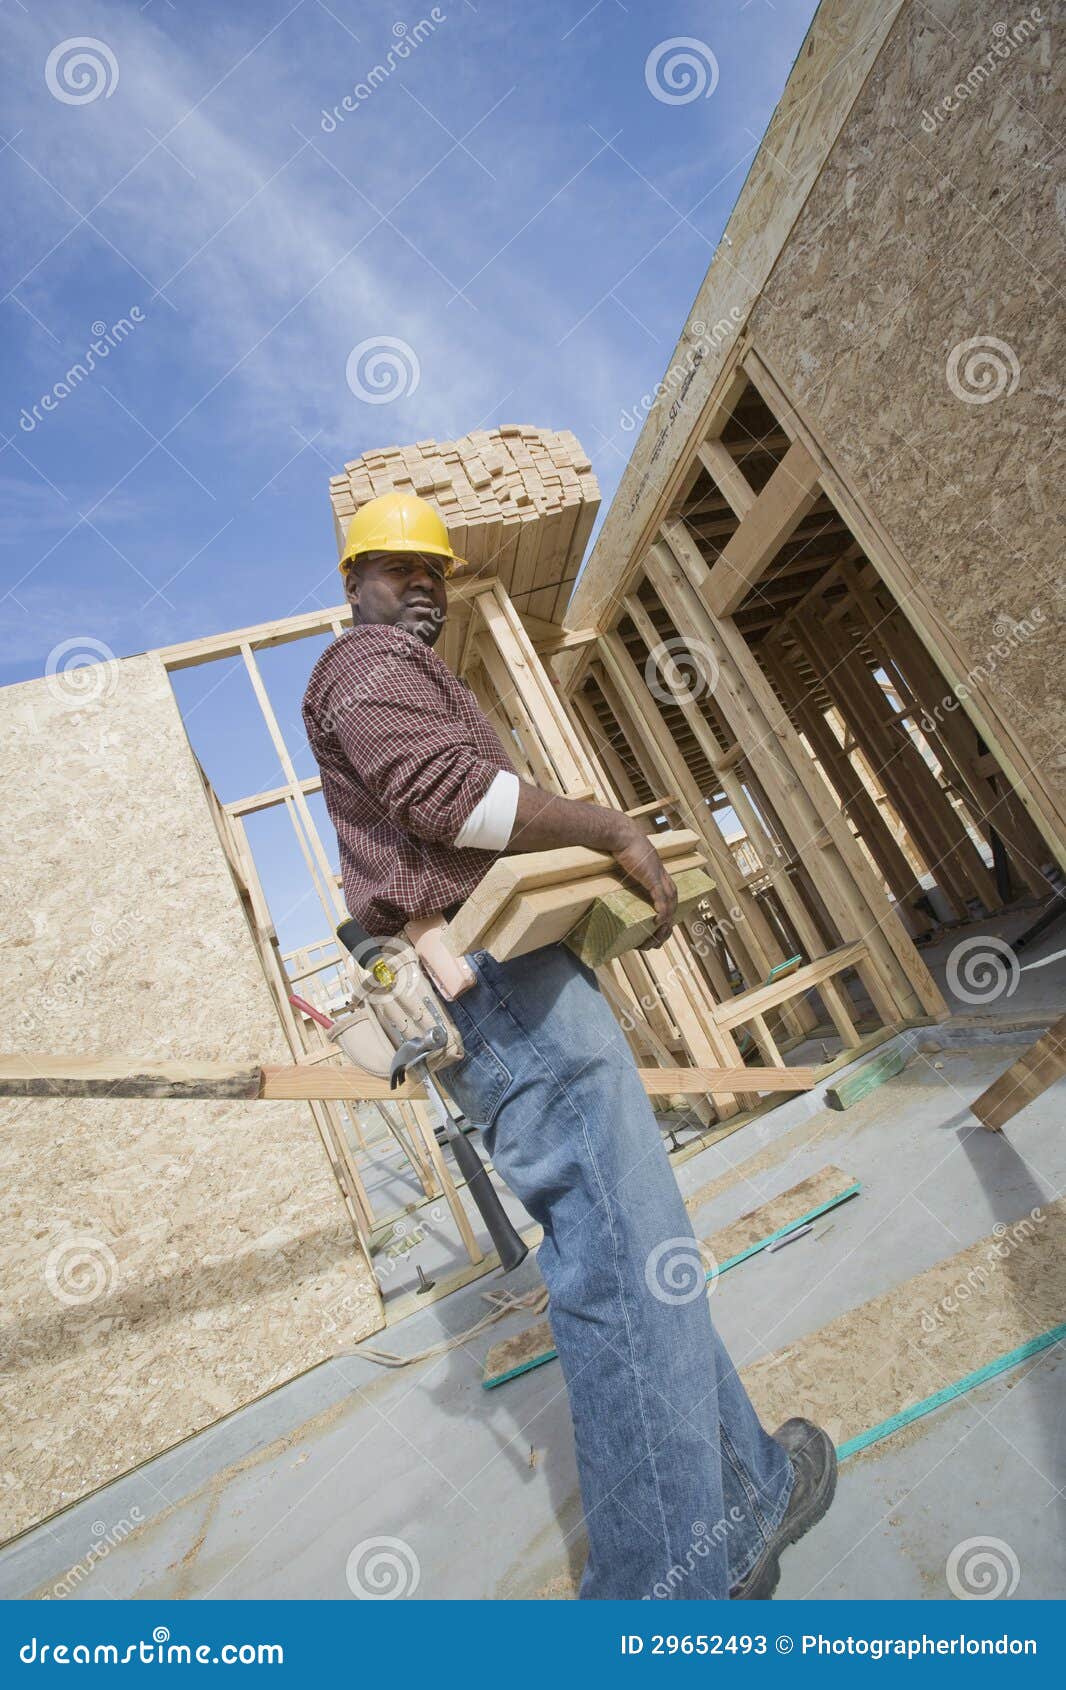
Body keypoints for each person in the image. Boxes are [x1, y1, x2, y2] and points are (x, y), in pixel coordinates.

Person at [302, 490, 836, 1600]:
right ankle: (660, 1597)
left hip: (510, 976)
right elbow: (446, 798)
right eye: (396, 568)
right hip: (495, 985)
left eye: (433, 572)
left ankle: (743, 1496)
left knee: (643, 1252)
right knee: (623, 1266)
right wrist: (606, 826)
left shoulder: (391, 670)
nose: (422, 587)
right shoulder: (362, 668)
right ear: (351, 579)